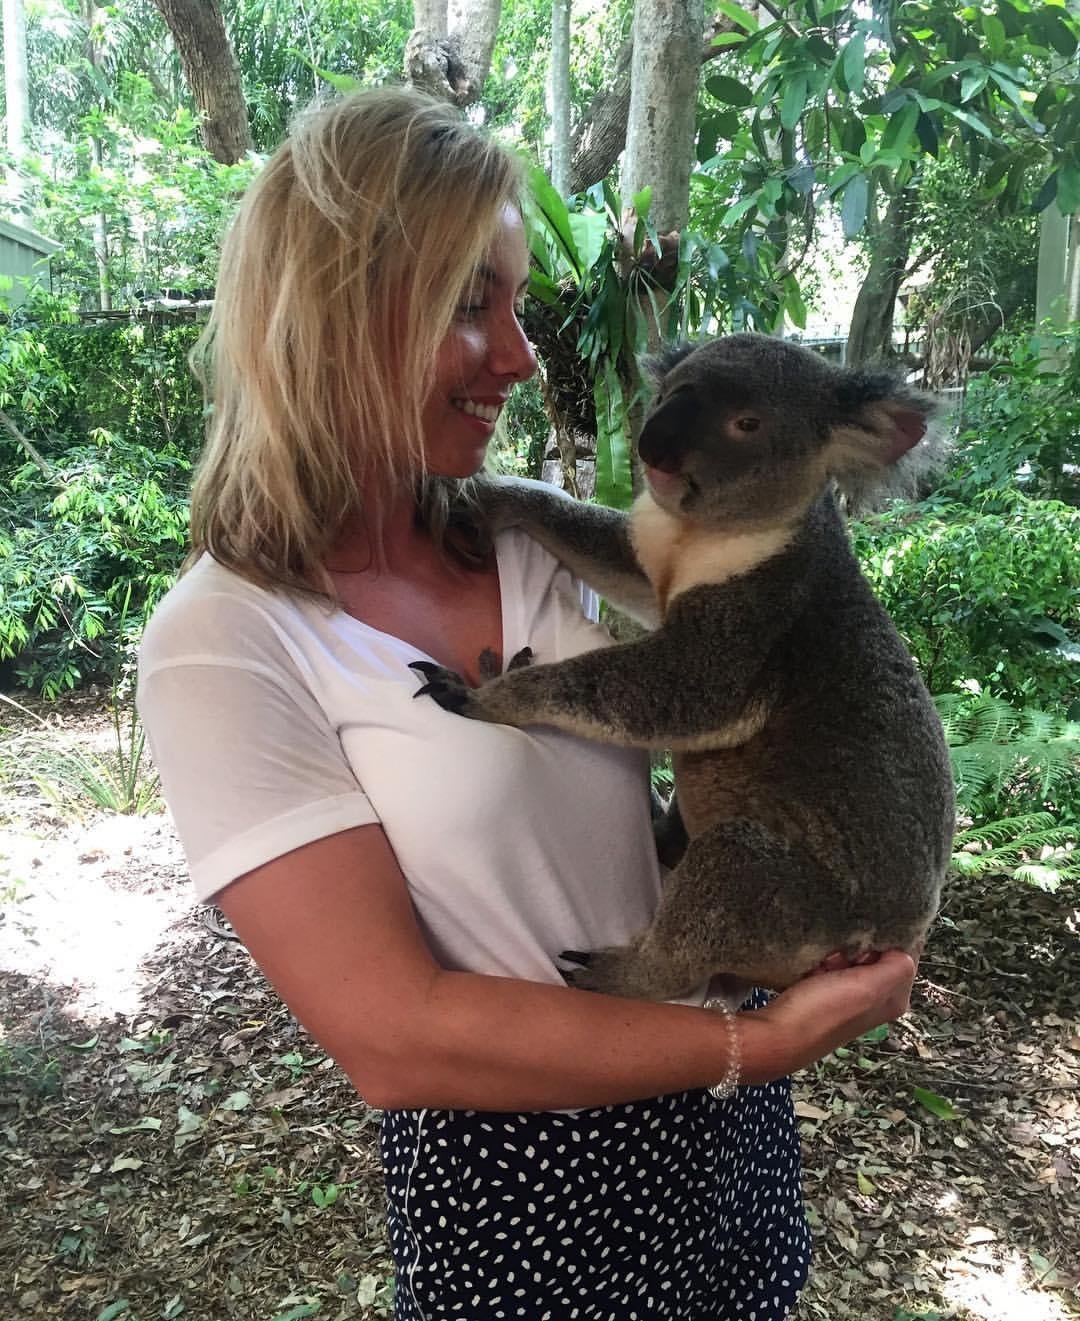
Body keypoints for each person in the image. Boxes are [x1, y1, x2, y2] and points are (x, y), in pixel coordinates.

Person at [137, 86, 917, 1321]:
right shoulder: (224, 645)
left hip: (725, 1123)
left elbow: (760, 679)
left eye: (512, 303)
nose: (518, 354)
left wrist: (866, 865)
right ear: (328, 316)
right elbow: (394, 1035)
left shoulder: (519, 538)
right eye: (468, 305)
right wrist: (756, 1045)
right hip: (526, 1170)